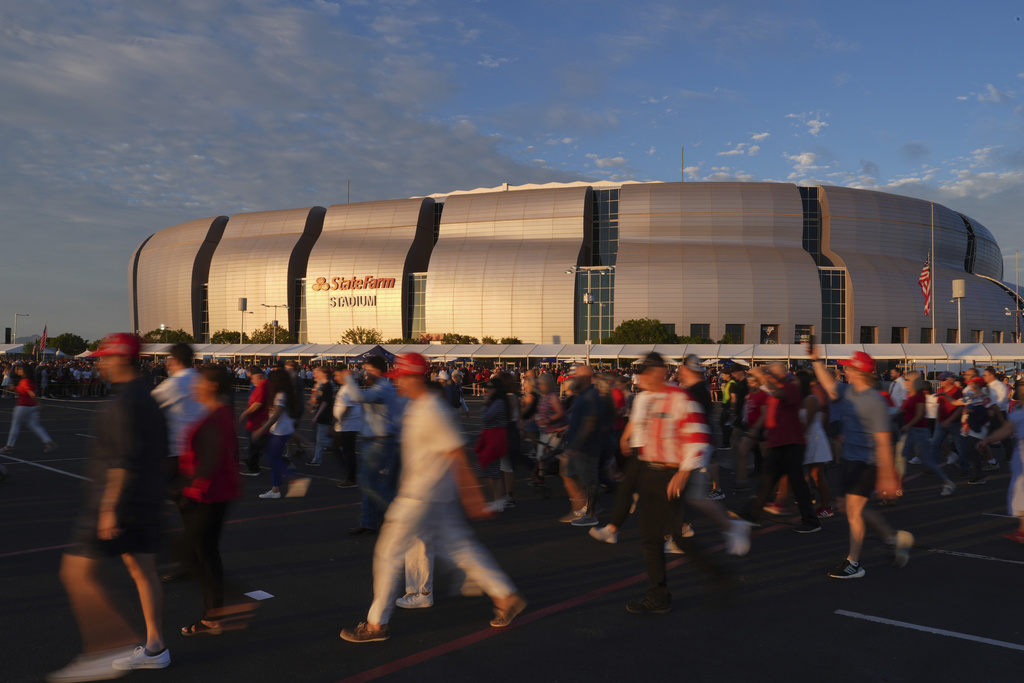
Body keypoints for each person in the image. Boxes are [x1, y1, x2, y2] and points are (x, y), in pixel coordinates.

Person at [339, 353, 525, 642]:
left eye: (399, 377)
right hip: (434, 496)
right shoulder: (420, 406)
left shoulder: (431, 410)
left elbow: (456, 454)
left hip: (420, 497)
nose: (397, 383)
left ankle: (376, 624)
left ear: (413, 377)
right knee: (461, 548)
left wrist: (474, 498)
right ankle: (505, 595)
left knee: (388, 555)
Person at [47, 334, 171, 681]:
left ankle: (109, 646)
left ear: (120, 360)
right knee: (143, 571)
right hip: (146, 500)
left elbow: (121, 461)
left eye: (104, 358)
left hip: (120, 502)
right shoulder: (150, 398)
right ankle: (155, 646)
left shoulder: (123, 403)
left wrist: (108, 510)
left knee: (75, 574)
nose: (99, 364)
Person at [622, 352, 738, 614]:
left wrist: (683, 472)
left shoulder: (681, 399)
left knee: (676, 536)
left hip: (671, 474)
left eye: (645, 372)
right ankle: (659, 597)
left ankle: (719, 576)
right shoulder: (647, 399)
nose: (640, 377)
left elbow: (698, 438)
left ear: (659, 372)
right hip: (652, 471)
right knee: (651, 537)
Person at [809, 349, 914, 579]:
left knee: (854, 512)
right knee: (852, 509)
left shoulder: (874, 401)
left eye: (847, 367)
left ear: (857, 371)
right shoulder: (851, 391)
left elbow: (884, 442)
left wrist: (888, 477)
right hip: (850, 459)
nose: (843, 370)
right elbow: (830, 384)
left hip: (867, 462)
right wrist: (816, 361)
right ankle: (893, 538)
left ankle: (854, 563)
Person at [173, 365, 242, 636]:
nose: (194, 386)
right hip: (211, 492)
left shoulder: (216, 417)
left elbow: (211, 461)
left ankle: (223, 605)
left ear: (212, 385)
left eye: (199, 383)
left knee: (190, 555)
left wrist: (182, 488)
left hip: (206, 495)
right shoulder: (221, 413)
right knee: (205, 554)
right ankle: (213, 614)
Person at [743, 363, 821, 533]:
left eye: (771, 373)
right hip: (779, 443)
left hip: (791, 444)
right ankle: (750, 515)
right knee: (767, 482)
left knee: (797, 484)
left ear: (781, 374)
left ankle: (811, 521)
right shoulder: (775, 390)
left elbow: (778, 394)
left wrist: (763, 377)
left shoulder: (790, 388)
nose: (769, 375)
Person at [343, 355, 404, 534]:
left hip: (380, 441)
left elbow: (360, 397)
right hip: (378, 441)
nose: (364, 373)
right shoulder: (381, 386)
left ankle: (400, 515)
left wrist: (348, 378)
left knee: (370, 483)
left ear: (377, 370)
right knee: (373, 483)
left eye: (367, 369)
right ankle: (369, 521)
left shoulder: (383, 387)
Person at [977, 379, 1024, 543]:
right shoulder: (1018, 409)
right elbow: (1007, 429)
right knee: (1019, 491)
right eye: (1021, 386)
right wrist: (987, 440)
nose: (1021, 389)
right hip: (1021, 452)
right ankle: (1022, 530)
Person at [251, 369, 310, 499]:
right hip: (281, 430)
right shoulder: (282, 393)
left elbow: (276, 415)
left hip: (280, 431)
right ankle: (276, 489)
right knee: (274, 459)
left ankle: (293, 478)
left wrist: (260, 430)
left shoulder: (281, 395)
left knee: (273, 459)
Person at [1, 363, 57, 455]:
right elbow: (24, 390)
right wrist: (14, 388)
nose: (18, 370)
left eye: (20, 369)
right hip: (32, 407)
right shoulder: (28, 380)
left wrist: (39, 403)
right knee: (34, 425)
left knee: (15, 425)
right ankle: (48, 442)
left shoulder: (25, 381)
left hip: (23, 406)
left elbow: (31, 393)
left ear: (24, 371)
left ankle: (9, 446)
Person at [332, 366, 363, 489]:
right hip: (344, 425)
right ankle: (349, 471)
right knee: (340, 448)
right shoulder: (345, 387)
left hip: (348, 425)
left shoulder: (349, 388)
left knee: (348, 451)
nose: (335, 378)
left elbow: (348, 407)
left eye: (337, 375)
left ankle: (351, 476)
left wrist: (339, 419)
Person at [238, 367, 268, 476]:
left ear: (257, 376)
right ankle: (252, 463)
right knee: (257, 445)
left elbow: (258, 403)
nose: (251, 381)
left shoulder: (262, 387)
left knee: (262, 446)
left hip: (258, 422)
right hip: (257, 422)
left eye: (251, 378)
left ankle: (253, 467)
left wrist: (245, 413)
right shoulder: (263, 385)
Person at [306, 366, 335, 466]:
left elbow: (325, 402)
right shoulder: (323, 386)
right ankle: (317, 458)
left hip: (324, 415)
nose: (316, 374)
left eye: (319, 372)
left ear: (324, 374)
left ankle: (318, 458)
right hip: (322, 414)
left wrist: (317, 415)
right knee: (320, 439)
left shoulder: (327, 386)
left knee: (321, 439)